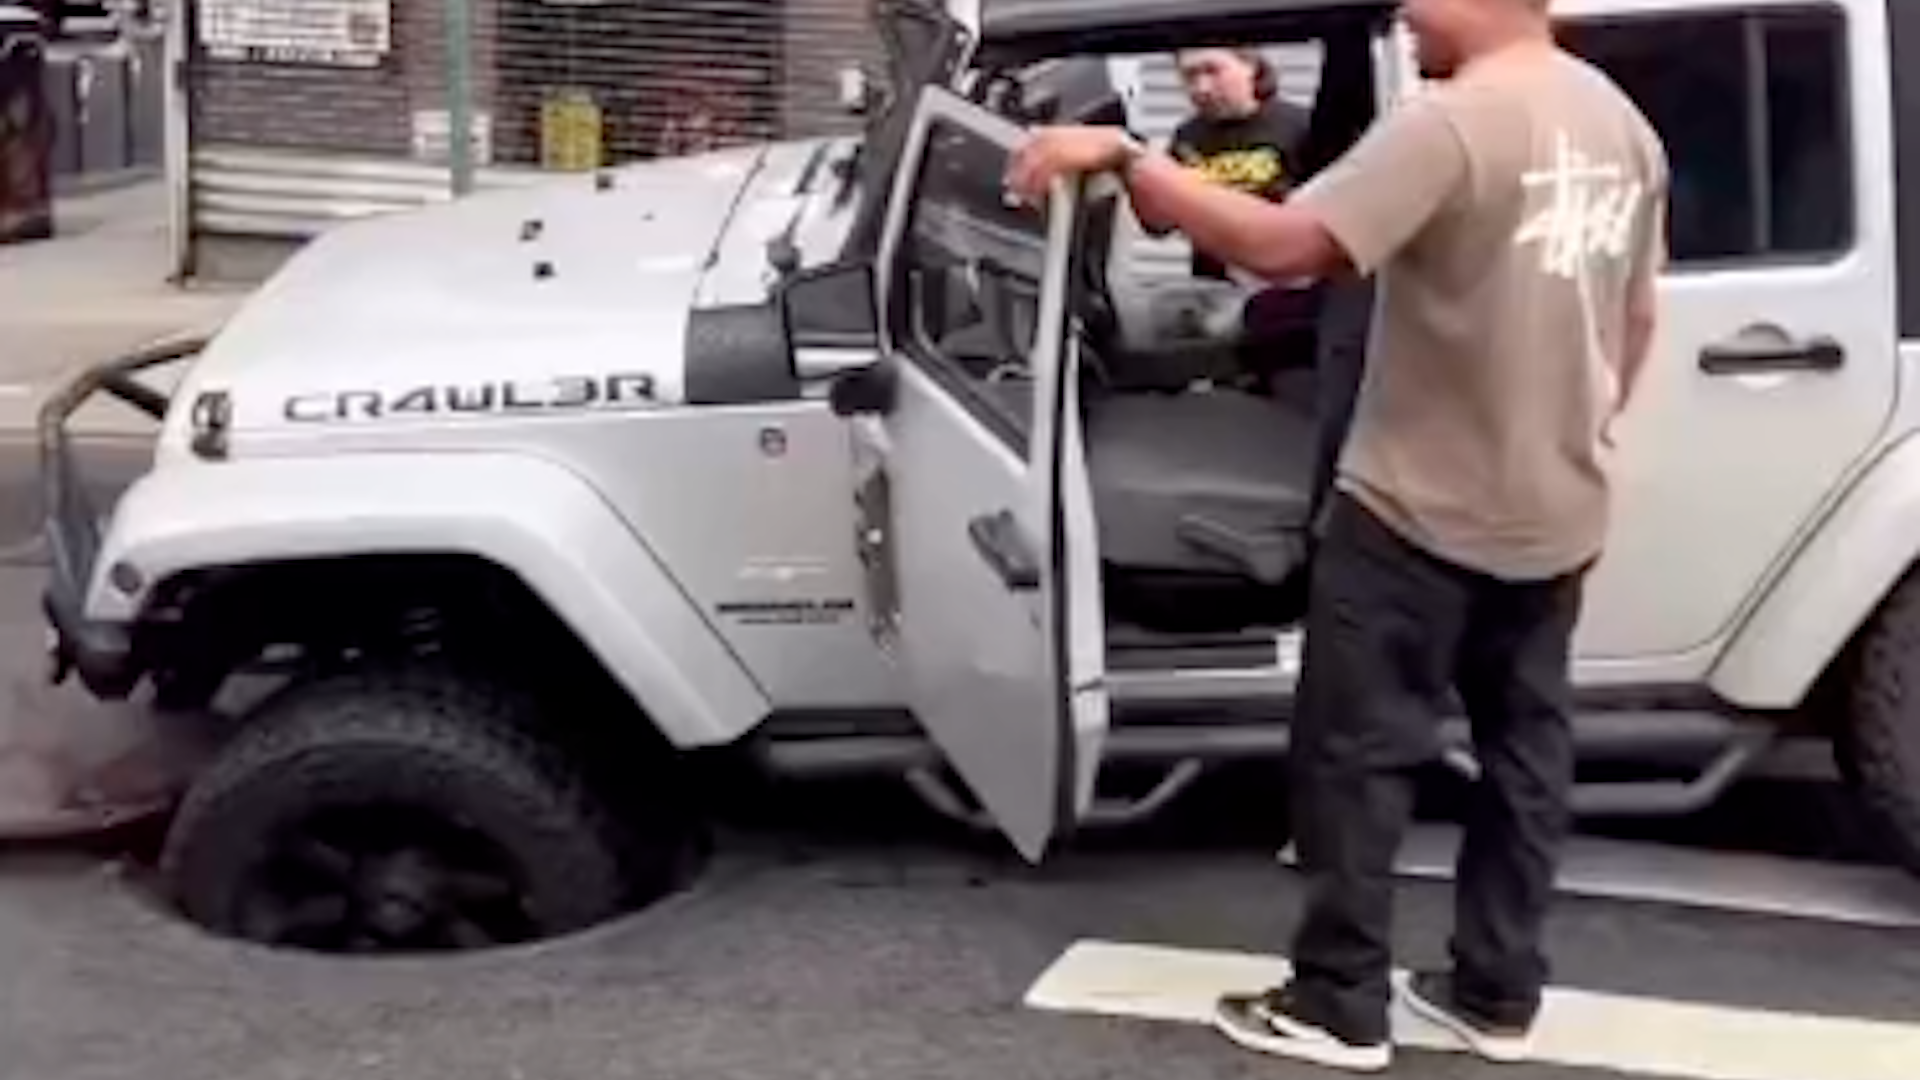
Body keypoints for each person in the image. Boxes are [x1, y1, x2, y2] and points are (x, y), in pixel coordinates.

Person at [1006, 0, 1667, 1072]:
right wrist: (1574, 437)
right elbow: (1637, 317)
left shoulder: (1453, 122)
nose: (1405, 14)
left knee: (1355, 760)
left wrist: (1126, 156)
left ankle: (1338, 1001)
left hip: (1413, 507)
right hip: (1557, 507)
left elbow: (1283, 247)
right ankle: (1498, 992)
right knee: (1526, 758)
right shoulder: (1621, 124)